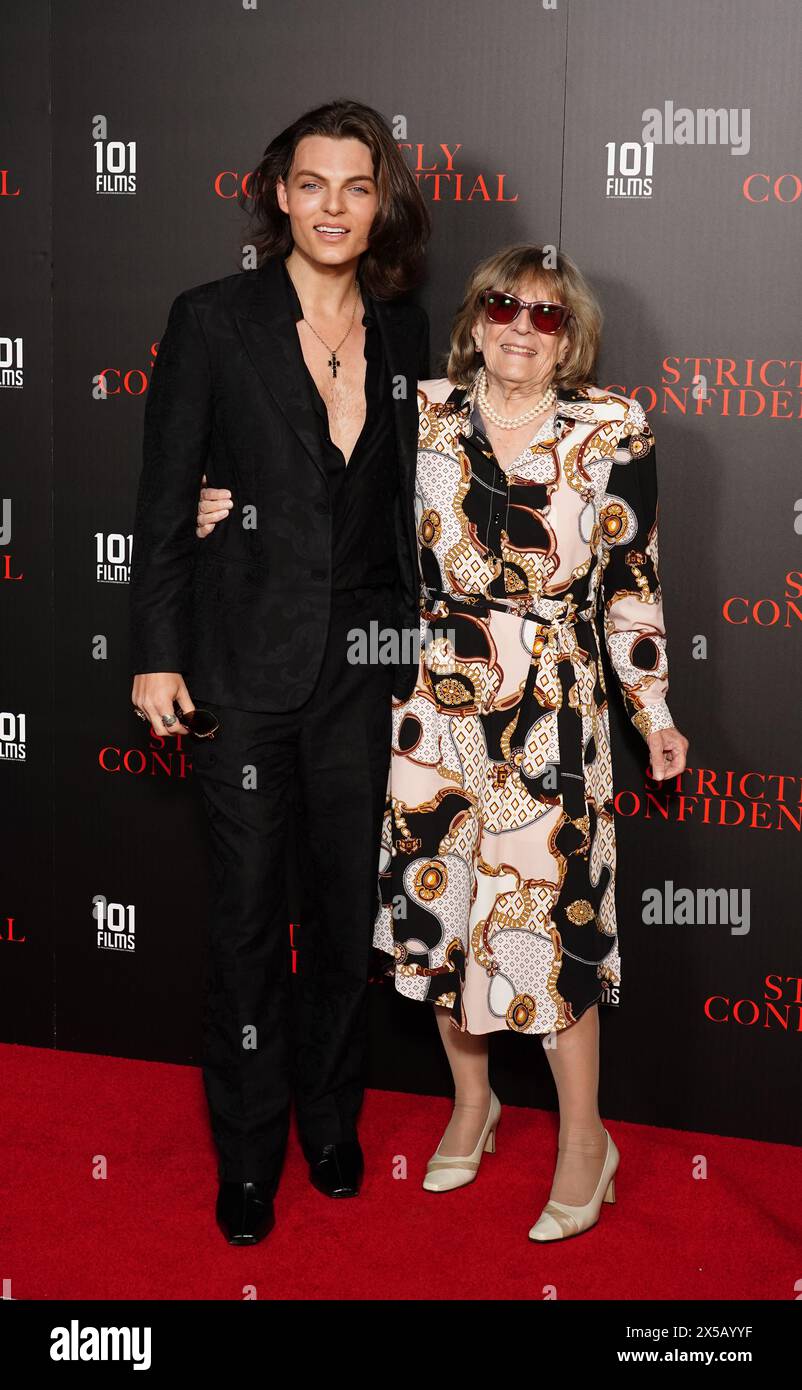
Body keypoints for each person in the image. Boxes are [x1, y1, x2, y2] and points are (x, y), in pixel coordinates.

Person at [198, 242, 689, 1244]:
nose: (520, 326)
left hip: (552, 708)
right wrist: (222, 502)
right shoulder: (417, 410)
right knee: (442, 921)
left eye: (546, 315)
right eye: (503, 305)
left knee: (552, 935)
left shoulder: (612, 426)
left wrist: (655, 711)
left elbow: (632, 582)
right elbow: (320, 488)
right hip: (432, 711)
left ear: (569, 338)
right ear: (473, 320)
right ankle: (473, 1103)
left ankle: (586, 1141)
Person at [128, 99, 430, 1246]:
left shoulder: (407, 334)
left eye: (357, 186)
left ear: (382, 199)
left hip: (364, 671)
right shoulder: (212, 322)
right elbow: (164, 504)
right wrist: (157, 650)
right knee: (250, 924)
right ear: (278, 194)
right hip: (242, 670)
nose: (334, 207)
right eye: (313, 184)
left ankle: (330, 1121)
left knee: (346, 912)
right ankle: (248, 1153)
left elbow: (419, 505)